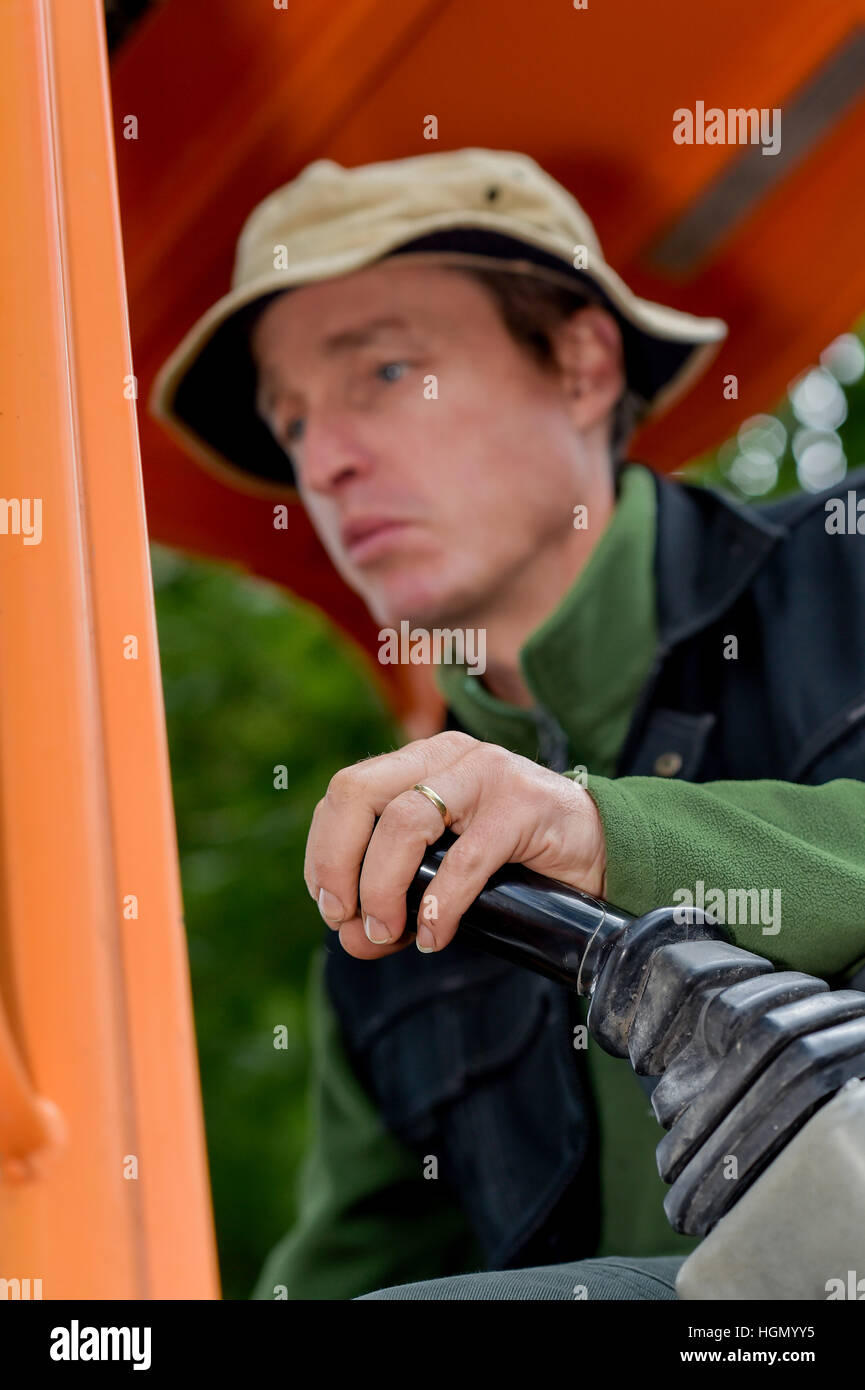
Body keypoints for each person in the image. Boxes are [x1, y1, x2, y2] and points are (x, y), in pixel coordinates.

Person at [152, 147, 865, 1301]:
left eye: (384, 370)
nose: (325, 461)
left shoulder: (848, 567)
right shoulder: (382, 924)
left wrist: (595, 832)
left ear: (581, 364)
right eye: (290, 426)